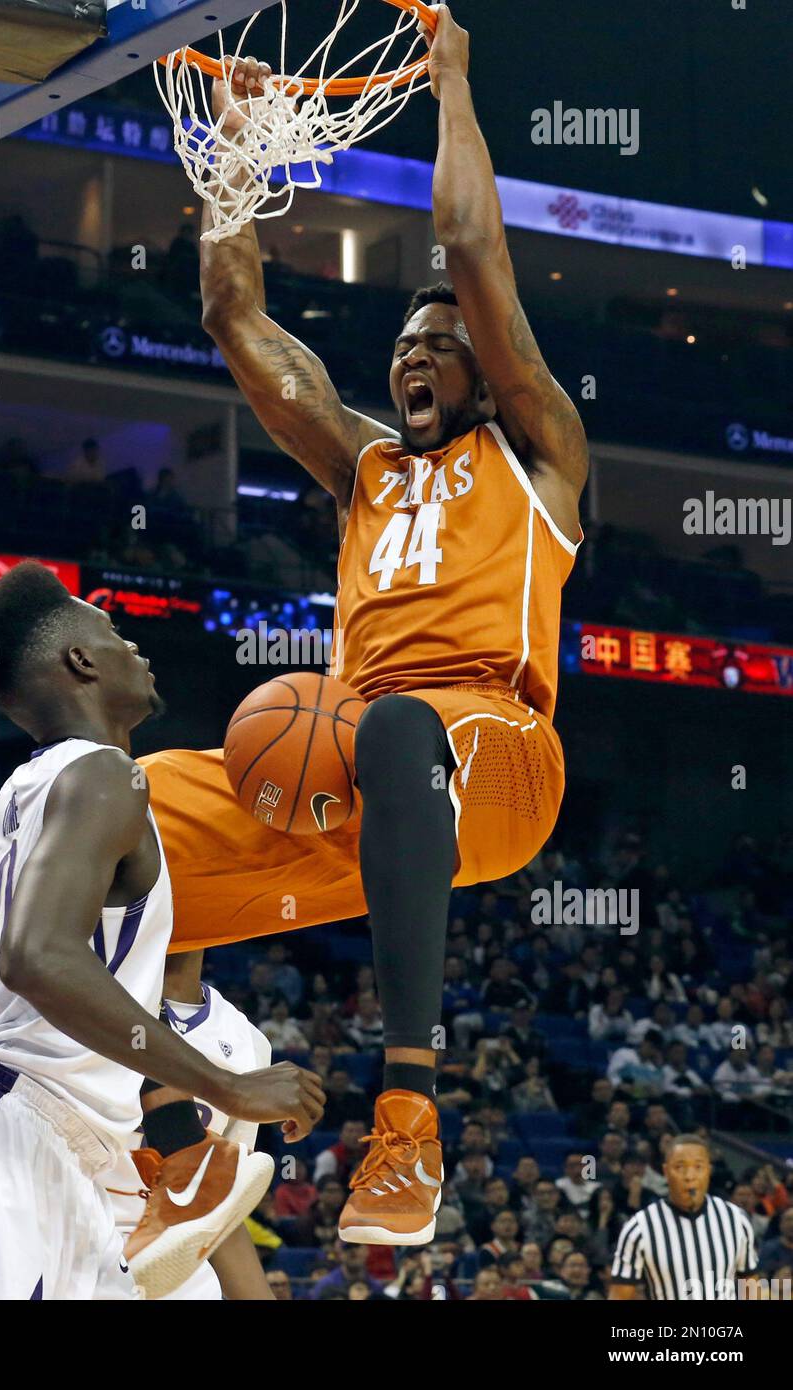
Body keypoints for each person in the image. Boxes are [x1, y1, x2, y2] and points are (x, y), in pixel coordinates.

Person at [144, 6, 588, 1248]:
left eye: (439, 347)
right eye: (401, 346)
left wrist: (450, 86)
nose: (415, 359)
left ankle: (408, 1126)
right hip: (351, 769)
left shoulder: (539, 451)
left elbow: (470, 246)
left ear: (483, 372)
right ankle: (171, 1143)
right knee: (105, 810)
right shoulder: (362, 467)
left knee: (396, 725)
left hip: (496, 756)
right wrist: (234, 155)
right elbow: (236, 322)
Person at [0, 562, 323, 1302]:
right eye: (113, 633)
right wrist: (225, 1085)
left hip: (71, 1157)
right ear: (80, 661)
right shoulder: (107, 775)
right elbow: (34, 958)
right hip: (2, 1141)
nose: (134, 648)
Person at [103, 949, 276, 1300]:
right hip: (76, 1236)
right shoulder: (75, 995)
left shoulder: (249, 1042)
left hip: (176, 1267)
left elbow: (219, 1200)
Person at [609, 1134, 758, 1300]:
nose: (689, 1176)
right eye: (680, 1167)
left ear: (709, 1170)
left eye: (698, 1167)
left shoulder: (736, 1220)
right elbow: (620, 1295)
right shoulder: (640, 1227)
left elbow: (750, 1284)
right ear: (666, 1171)